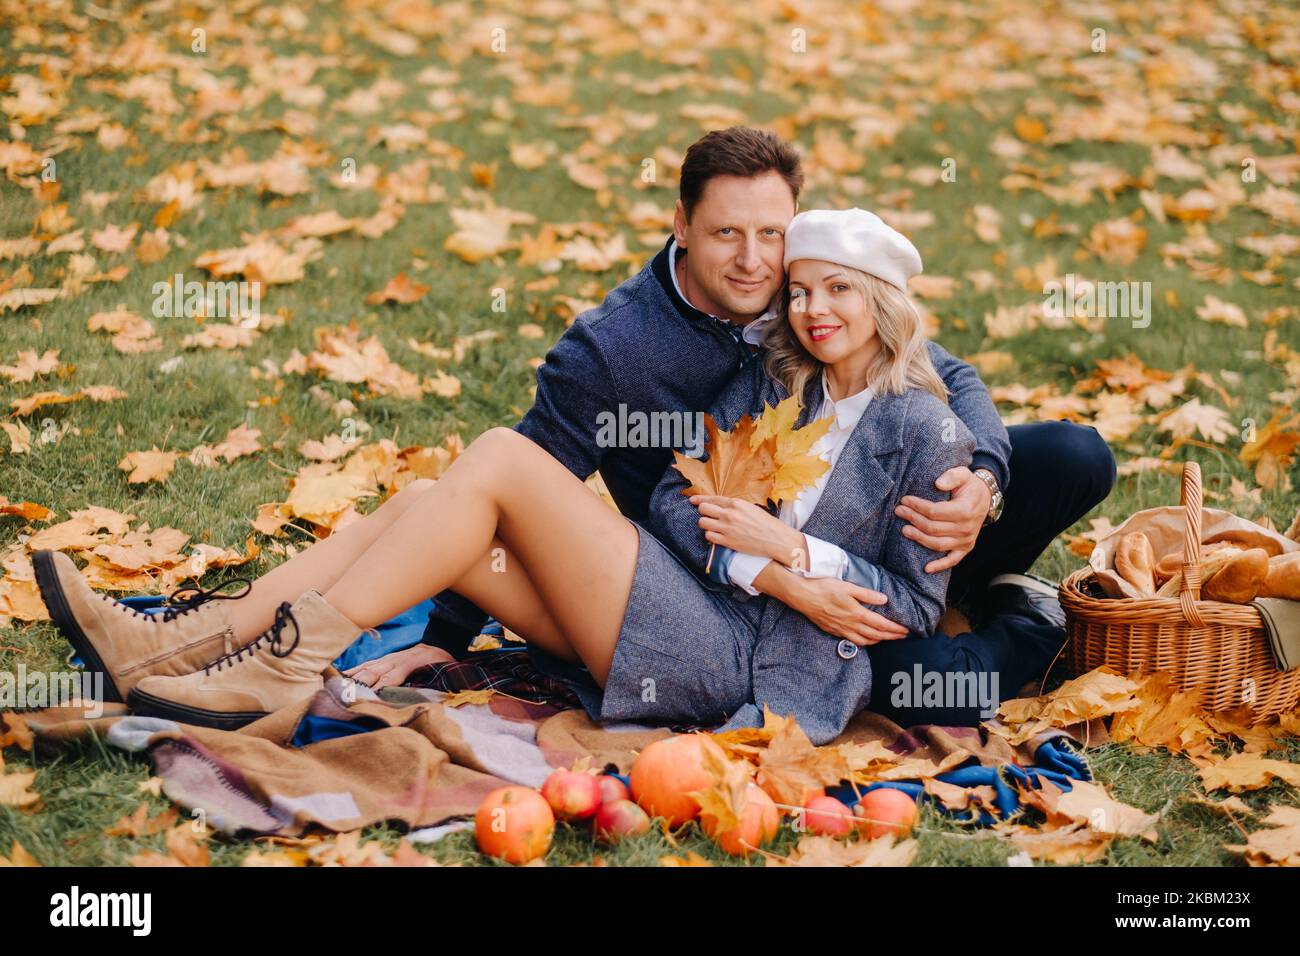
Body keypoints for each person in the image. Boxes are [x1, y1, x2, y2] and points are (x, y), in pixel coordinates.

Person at [31, 208, 1069, 744]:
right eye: (800, 291)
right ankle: (181, 649)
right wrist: (749, 557)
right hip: (694, 604)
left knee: (494, 460)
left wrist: (788, 553)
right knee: (421, 504)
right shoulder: (772, 381)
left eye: (837, 290)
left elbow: (900, 606)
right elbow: (672, 495)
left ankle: (281, 664)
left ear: (881, 302)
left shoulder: (928, 435)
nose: (811, 310)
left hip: (755, 669)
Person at [368, 126, 1112, 690]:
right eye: (727, 234)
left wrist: (984, 480)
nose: (755, 262)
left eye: (772, 240)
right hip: (732, 576)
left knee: (1073, 456)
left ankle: (972, 583)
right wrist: (451, 634)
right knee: (921, 686)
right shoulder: (625, 347)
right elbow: (528, 471)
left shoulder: (809, 298)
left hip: (881, 524)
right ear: (683, 226)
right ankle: (1028, 633)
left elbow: (948, 373)